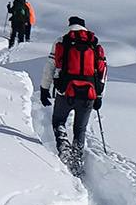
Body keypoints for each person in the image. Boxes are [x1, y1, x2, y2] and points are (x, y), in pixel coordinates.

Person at [39, 16, 107, 171]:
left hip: (65, 91)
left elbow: (50, 66)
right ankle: (76, 160)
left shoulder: (62, 41)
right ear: (84, 27)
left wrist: (44, 89)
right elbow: (102, 72)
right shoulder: (94, 44)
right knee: (80, 129)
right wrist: (99, 96)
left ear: (70, 25)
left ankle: (63, 145)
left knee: (58, 121)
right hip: (89, 93)